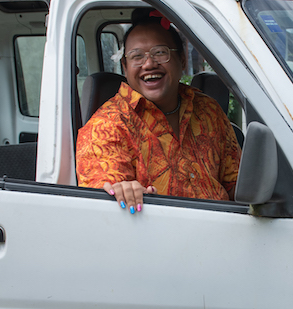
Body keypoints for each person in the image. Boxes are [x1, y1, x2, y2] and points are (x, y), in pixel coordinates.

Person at [76, 12, 242, 213]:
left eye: (160, 53)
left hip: (228, 233)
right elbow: (103, 197)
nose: (149, 64)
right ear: (125, 67)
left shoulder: (208, 110)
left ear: (182, 60)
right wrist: (123, 190)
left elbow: (238, 185)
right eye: (137, 56)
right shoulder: (105, 126)